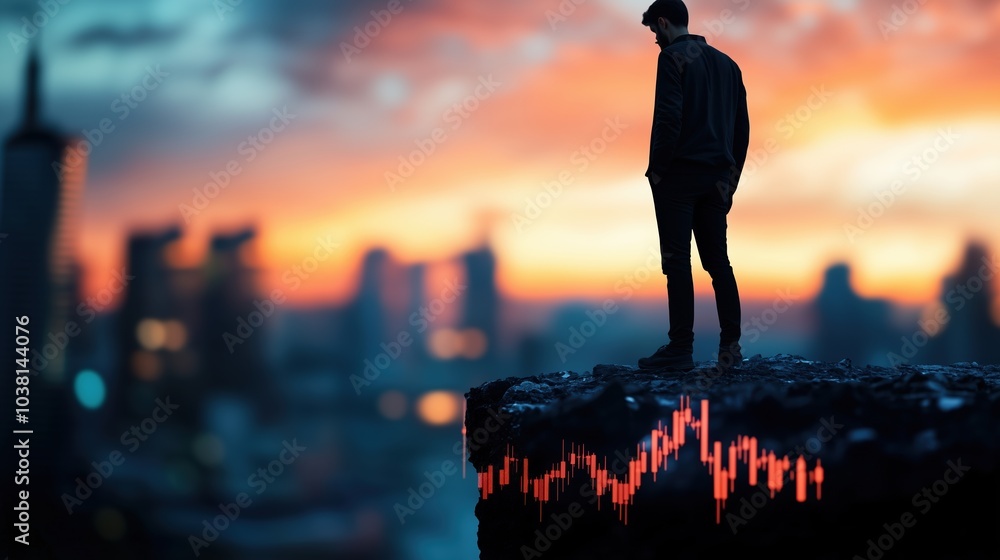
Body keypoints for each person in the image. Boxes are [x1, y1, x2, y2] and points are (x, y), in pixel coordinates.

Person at [637, 0, 749, 372]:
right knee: (719, 262)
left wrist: (658, 170)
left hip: (680, 176)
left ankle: (680, 348)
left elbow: (669, 116)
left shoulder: (671, 59)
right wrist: (730, 182)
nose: (655, 40)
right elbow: (742, 131)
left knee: (677, 261)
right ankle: (730, 348)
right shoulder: (728, 64)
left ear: (664, 23)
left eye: (655, 31)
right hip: (718, 177)